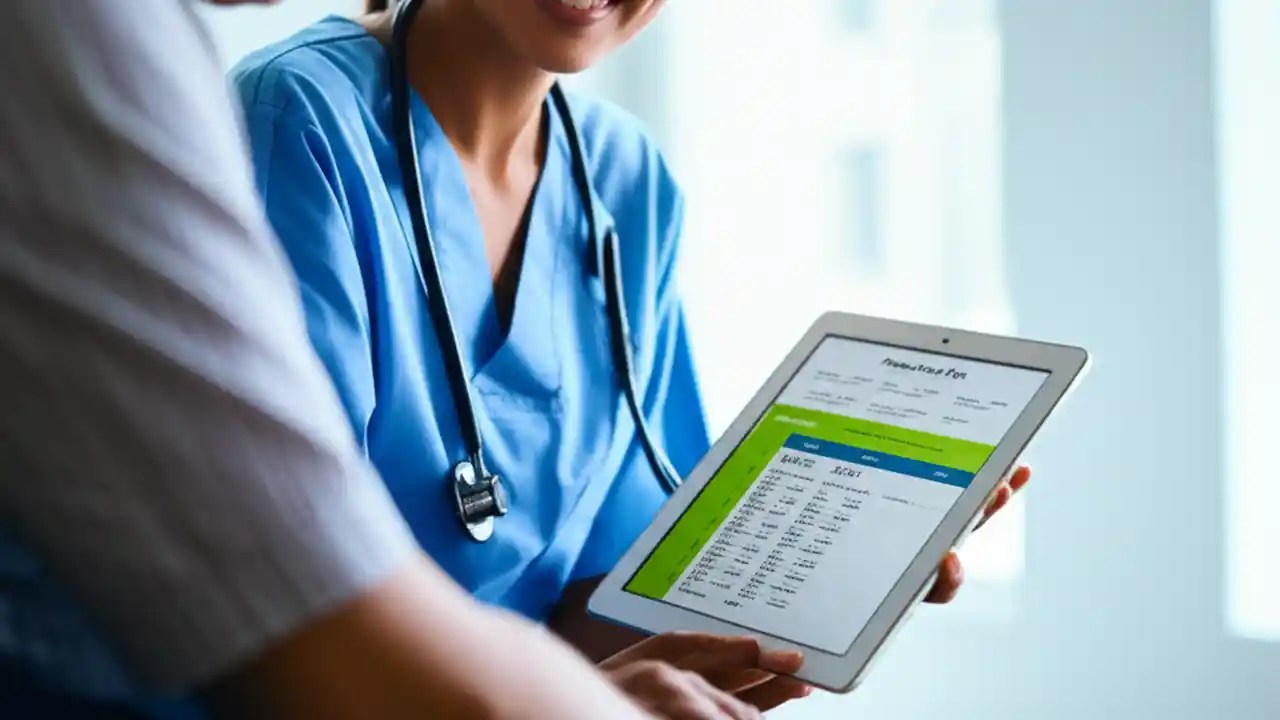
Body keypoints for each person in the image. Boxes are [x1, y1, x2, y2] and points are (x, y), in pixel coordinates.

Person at [231, 0, 1034, 713]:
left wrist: (841, 575)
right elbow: (265, 616)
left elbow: (594, 605)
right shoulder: (295, 122)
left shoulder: (625, 178)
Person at [0, 1, 764, 718]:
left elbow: (607, 590)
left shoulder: (628, 183)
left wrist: (711, 664)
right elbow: (296, 609)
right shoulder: (294, 120)